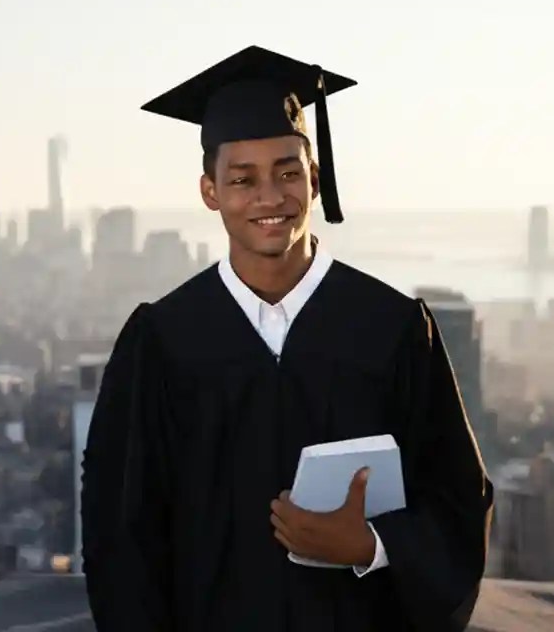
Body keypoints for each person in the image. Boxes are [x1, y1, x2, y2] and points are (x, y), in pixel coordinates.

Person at [80, 46, 494, 631]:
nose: (270, 197)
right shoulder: (165, 340)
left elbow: (457, 498)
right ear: (210, 191)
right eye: (242, 179)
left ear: (315, 179)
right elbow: (119, 531)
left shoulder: (391, 328)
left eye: (287, 172)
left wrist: (371, 546)